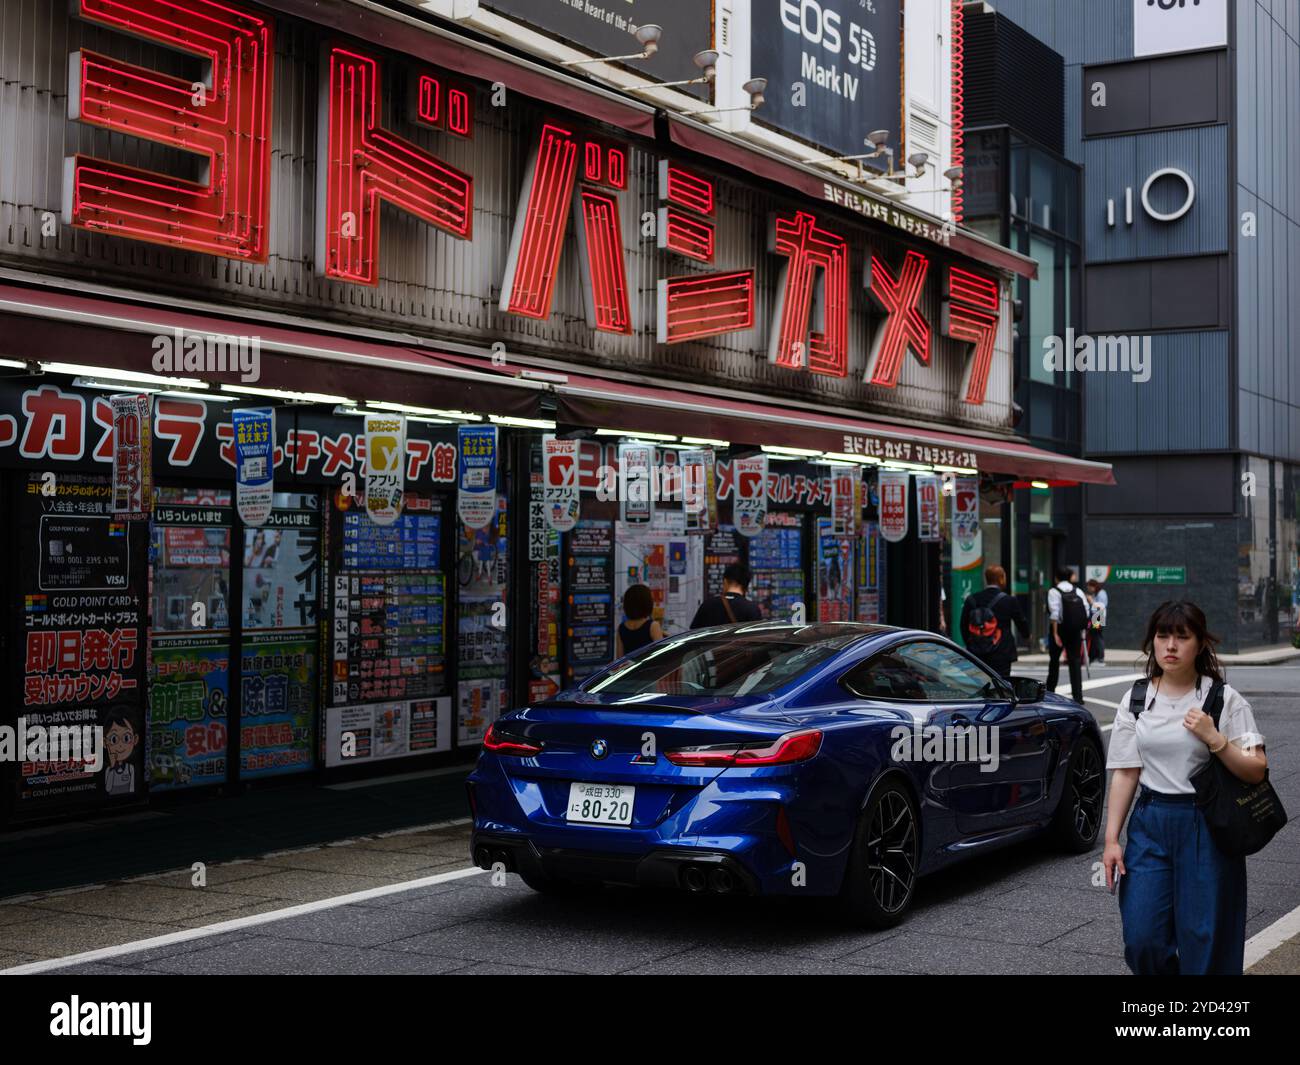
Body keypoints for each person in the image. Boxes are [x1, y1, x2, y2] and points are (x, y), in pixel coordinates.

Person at [1103, 601, 1267, 975]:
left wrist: (1215, 739)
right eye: (1163, 636)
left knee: (1205, 939)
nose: (1171, 646)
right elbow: (1126, 772)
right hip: (1150, 823)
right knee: (1142, 938)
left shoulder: (1224, 700)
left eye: (1182, 636)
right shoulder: (1137, 698)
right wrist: (1112, 839)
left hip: (1206, 825)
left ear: (1200, 644)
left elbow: (1257, 769)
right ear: (1152, 642)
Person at [959, 564, 1028, 678]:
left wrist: (972, 643)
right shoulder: (1009, 600)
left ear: (986, 578)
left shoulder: (971, 599)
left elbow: (963, 625)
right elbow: (1021, 621)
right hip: (1002, 651)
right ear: (1001, 578)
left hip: (977, 652)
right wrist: (1026, 636)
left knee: (980, 683)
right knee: (1002, 684)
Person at [1046, 566, 1089, 702]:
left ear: (1056, 578)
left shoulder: (1054, 591)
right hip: (1075, 631)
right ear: (1070, 577)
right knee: (1075, 662)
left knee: (1054, 661)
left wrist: (1055, 634)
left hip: (1060, 629)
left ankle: (1050, 693)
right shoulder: (1079, 591)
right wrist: (1082, 630)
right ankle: (1078, 696)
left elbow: (1054, 614)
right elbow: (1086, 611)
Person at [691, 563, 762, 628]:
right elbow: (756, 637)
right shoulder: (752, 609)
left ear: (725, 581)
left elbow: (694, 632)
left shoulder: (707, 604)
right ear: (746, 585)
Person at [616, 583, 663, 658]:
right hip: (649, 668)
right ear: (647, 603)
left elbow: (619, 658)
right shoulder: (653, 626)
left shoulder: (621, 628)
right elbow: (661, 656)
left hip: (631, 669)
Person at [1086, 578, 1108, 665]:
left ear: (1093, 586)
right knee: (1095, 637)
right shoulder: (1098, 593)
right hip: (1096, 617)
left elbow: (1100, 607)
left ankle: (1100, 658)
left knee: (1098, 637)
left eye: (1089, 588)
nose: (1089, 590)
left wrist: (1091, 601)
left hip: (1098, 617)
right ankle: (1096, 657)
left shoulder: (1101, 594)